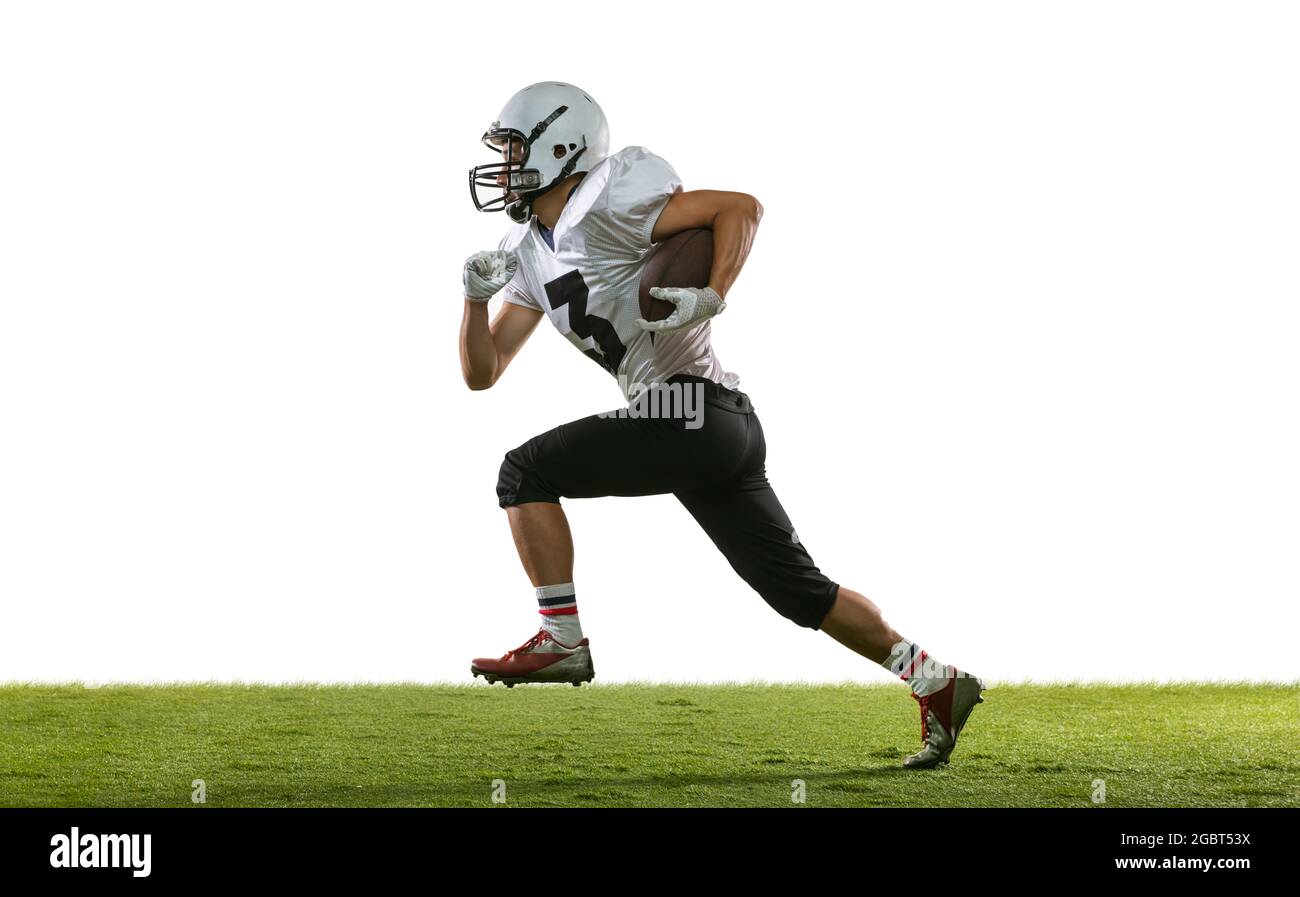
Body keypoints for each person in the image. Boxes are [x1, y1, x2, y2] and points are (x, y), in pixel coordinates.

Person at [461, 81, 982, 769]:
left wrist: (714, 293)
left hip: (692, 414)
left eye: (516, 149)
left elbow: (741, 208)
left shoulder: (610, 198)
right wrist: (473, 300)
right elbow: (484, 369)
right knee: (802, 592)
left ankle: (561, 637)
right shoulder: (527, 250)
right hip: (706, 426)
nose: (505, 166)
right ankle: (937, 681)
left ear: (562, 147)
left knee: (523, 470)